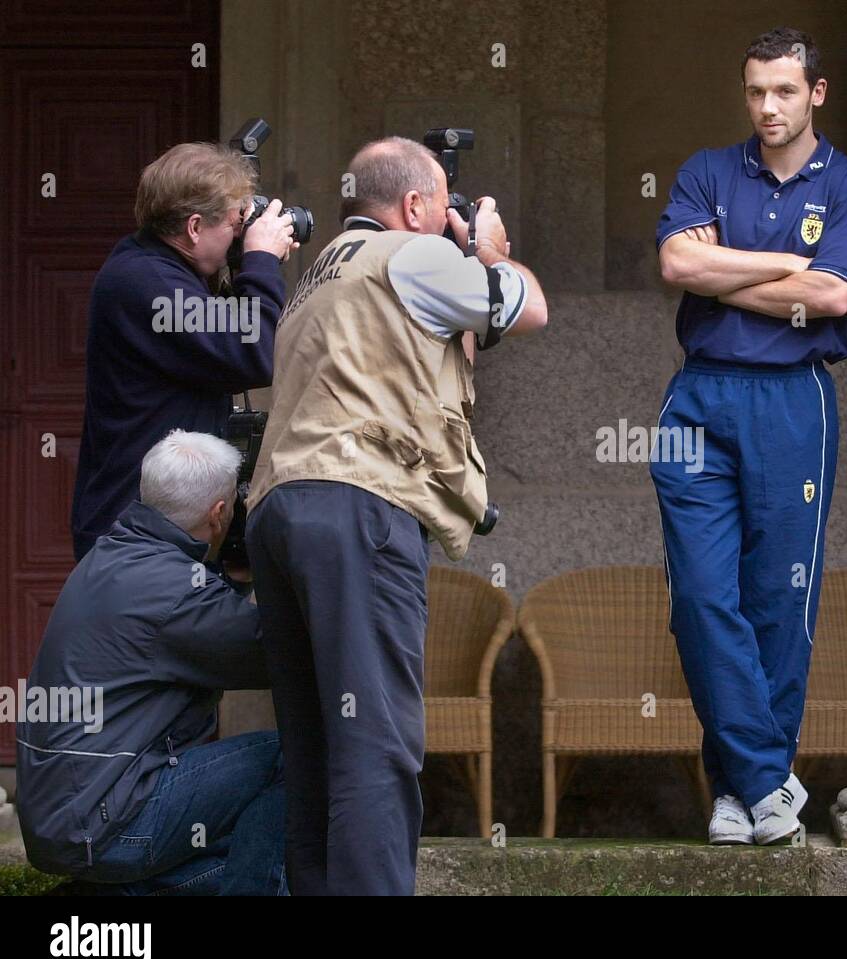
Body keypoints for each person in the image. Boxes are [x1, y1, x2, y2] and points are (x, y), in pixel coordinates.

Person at [244, 136, 547, 895]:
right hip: (360, 507)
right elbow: (530, 307)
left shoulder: (317, 275)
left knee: (315, 750)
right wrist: (491, 250)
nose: (449, 215)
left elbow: (441, 358)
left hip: (280, 511)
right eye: (442, 201)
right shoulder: (412, 258)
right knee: (377, 746)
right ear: (414, 206)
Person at [653, 27, 847, 845]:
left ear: (815, 92)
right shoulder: (708, 169)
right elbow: (679, 269)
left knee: (779, 600)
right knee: (701, 599)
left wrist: (731, 269)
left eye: (785, 90)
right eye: (756, 91)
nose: (768, 107)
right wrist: (782, 265)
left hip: (795, 400)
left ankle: (740, 792)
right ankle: (761, 779)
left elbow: (830, 298)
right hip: (699, 398)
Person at [18, 430, 285, 894]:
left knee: (251, 844)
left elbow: (189, 629)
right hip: (105, 824)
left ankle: (110, 893)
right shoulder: (176, 593)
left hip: (66, 819)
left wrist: (235, 574)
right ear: (220, 513)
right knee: (299, 756)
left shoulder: (111, 555)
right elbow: (277, 655)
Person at [70, 141, 296, 560]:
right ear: (194, 227)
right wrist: (261, 260)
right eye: (235, 224)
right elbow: (259, 351)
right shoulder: (147, 284)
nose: (240, 236)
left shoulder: (151, 270)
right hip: (134, 536)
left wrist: (245, 260)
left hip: (155, 526)